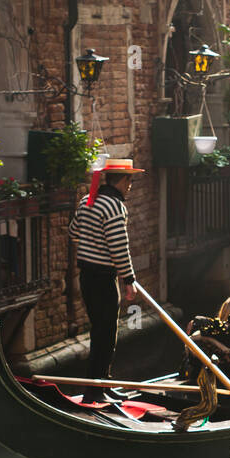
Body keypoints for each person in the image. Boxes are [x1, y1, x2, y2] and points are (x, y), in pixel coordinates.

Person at [67, 157, 145, 399]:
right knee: (106, 333)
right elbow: (119, 248)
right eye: (129, 179)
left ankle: (97, 387)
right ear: (121, 180)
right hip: (104, 279)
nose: (131, 185)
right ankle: (97, 390)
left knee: (98, 331)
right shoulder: (114, 207)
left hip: (87, 277)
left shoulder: (86, 201)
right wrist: (129, 280)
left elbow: (73, 233)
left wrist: (92, 241)